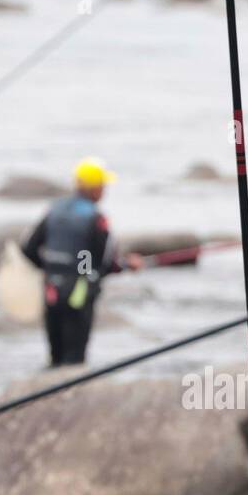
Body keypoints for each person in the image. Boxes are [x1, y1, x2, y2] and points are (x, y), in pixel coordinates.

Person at [21, 158, 143, 368]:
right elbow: (106, 262)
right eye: (103, 186)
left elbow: (29, 249)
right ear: (94, 188)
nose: (104, 190)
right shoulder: (95, 218)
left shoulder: (55, 210)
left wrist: (51, 268)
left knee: (55, 355)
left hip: (51, 288)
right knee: (74, 357)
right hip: (79, 291)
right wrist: (126, 265)